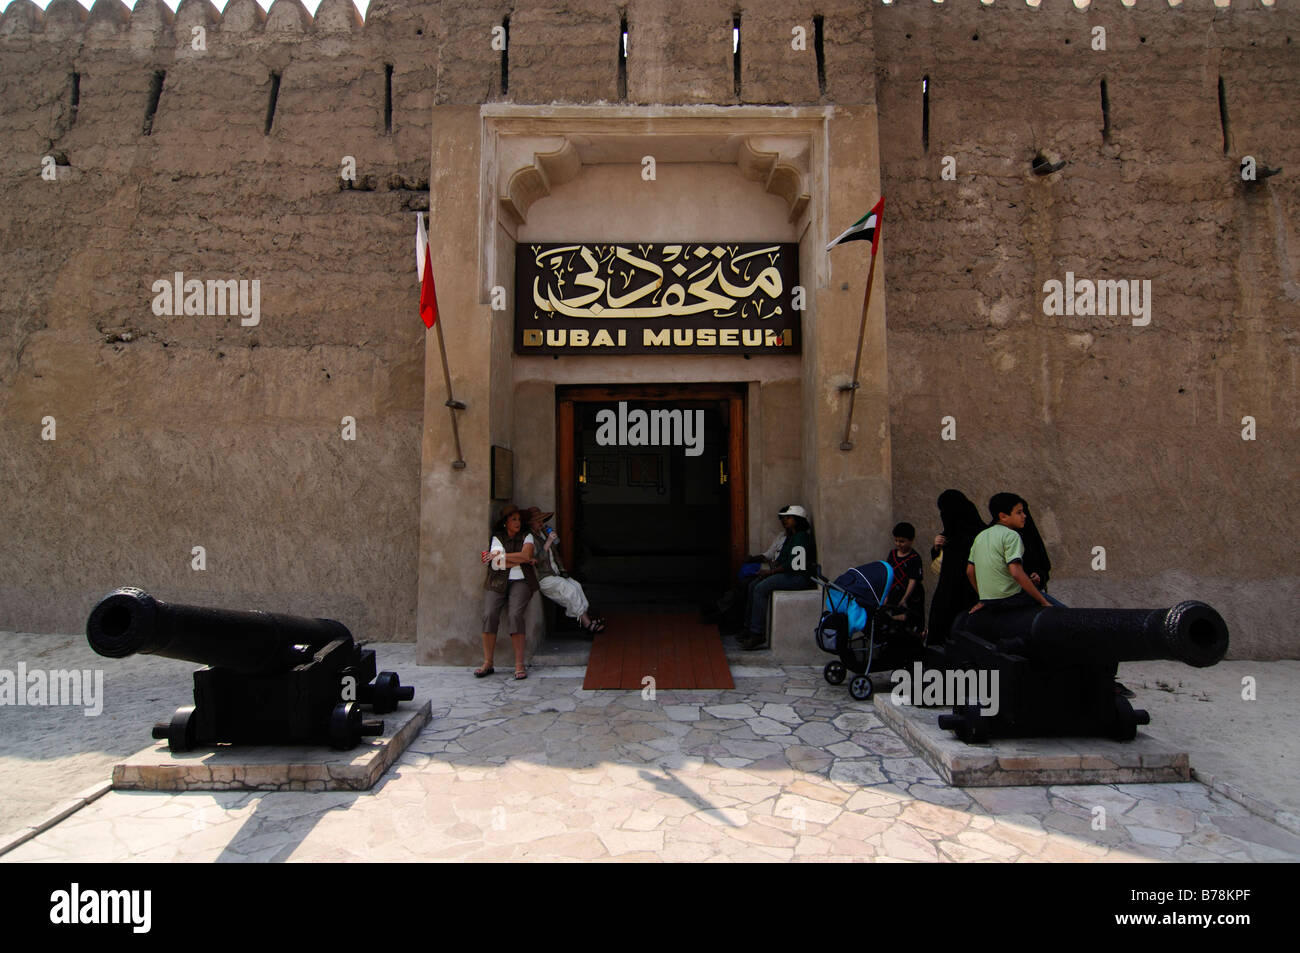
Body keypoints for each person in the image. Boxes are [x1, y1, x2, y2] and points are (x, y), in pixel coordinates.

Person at [966, 493, 1064, 614]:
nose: (1024, 516)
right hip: (1011, 599)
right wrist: (1044, 602)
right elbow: (1016, 572)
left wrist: (984, 599)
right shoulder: (1011, 535)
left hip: (989, 600)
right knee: (1064, 613)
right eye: (1019, 512)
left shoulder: (980, 536)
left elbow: (970, 571)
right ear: (1003, 516)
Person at [738, 504, 817, 650]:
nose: (785, 521)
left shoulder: (801, 538)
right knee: (753, 584)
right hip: (788, 574)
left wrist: (770, 573)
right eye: (784, 518)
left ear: (798, 520)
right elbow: (782, 559)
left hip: (797, 577)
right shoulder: (790, 537)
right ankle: (748, 628)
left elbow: (795, 565)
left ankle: (757, 633)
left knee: (761, 588)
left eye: (789, 518)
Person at [520, 506, 606, 635]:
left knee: (576, 586)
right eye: (538, 521)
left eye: (542, 521)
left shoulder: (543, 532)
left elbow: (556, 547)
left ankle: (585, 618)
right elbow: (538, 559)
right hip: (544, 577)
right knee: (569, 590)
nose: (541, 523)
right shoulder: (530, 538)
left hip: (555, 573)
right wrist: (548, 542)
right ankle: (586, 623)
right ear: (530, 523)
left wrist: (551, 538)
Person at [477, 503, 537, 679]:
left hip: (522, 580)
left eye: (518, 519)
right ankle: (488, 662)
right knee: (489, 614)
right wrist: (517, 559)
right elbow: (496, 564)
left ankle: (519, 664)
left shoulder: (527, 536)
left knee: (515, 615)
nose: (517, 522)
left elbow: (526, 555)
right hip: (497, 581)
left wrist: (502, 557)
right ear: (506, 523)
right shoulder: (497, 537)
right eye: (513, 519)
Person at [927, 490, 985, 644]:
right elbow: (941, 568)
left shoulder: (978, 536)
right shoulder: (949, 537)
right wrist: (936, 549)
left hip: (971, 599)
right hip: (950, 600)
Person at [884, 521, 925, 628]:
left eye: (902, 541)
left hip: (910, 596)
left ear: (911, 541)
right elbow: (889, 576)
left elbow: (913, 580)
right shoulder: (892, 554)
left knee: (910, 622)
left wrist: (905, 598)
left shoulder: (914, 558)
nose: (898, 544)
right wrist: (886, 596)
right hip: (895, 594)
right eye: (896, 540)